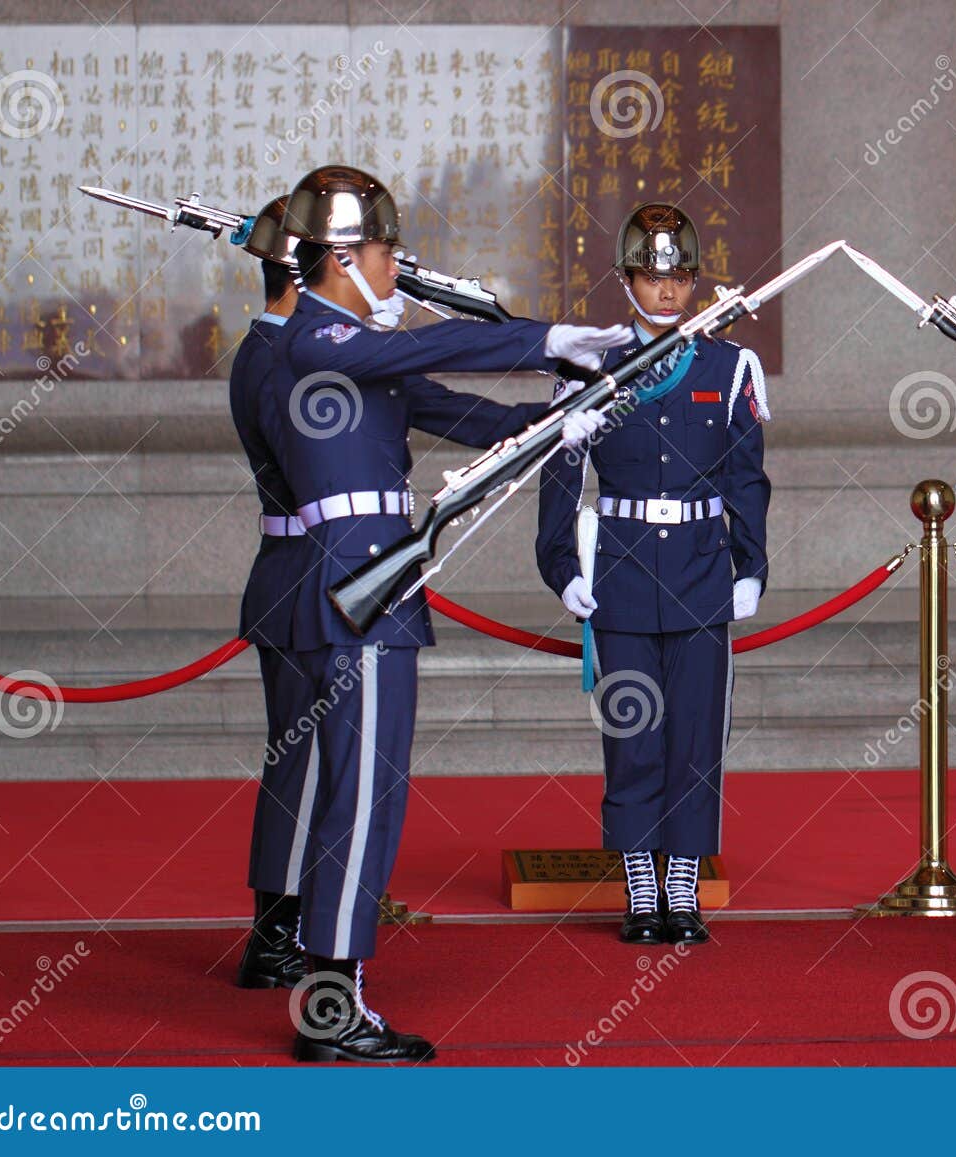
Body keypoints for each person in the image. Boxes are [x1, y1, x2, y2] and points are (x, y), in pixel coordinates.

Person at [259, 164, 631, 1062]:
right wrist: (549, 339)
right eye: (388, 252)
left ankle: (327, 985)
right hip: (361, 587)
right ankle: (332, 1008)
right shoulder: (316, 340)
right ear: (344, 259)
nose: (398, 267)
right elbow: (417, 356)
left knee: (353, 788)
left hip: (351, 581)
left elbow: (451, 409)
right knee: (364, 796)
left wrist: (558, 420)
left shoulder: (350, 348)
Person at [536, 203, 770, 946]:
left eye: (679, 277)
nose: (667, 291)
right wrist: (562, 566)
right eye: (651, 275)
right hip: (625, 571)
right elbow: (561, 471)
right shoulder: (591, 367)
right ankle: (641, 880)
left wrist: (750, 566)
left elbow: (747, 478)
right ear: (627, 279)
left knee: (697, 731)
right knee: (633, 729)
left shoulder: (729, 366)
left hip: (703, 569)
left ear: (696, 281)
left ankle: (682, 882)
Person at [228, 195, 315, 991]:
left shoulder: (280, 348)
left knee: (312, 757)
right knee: (302, 759)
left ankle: (296, 918)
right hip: (302, 579)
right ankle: (274, 931)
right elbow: (313, 471)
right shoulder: (279, 356)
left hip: (308, 576)